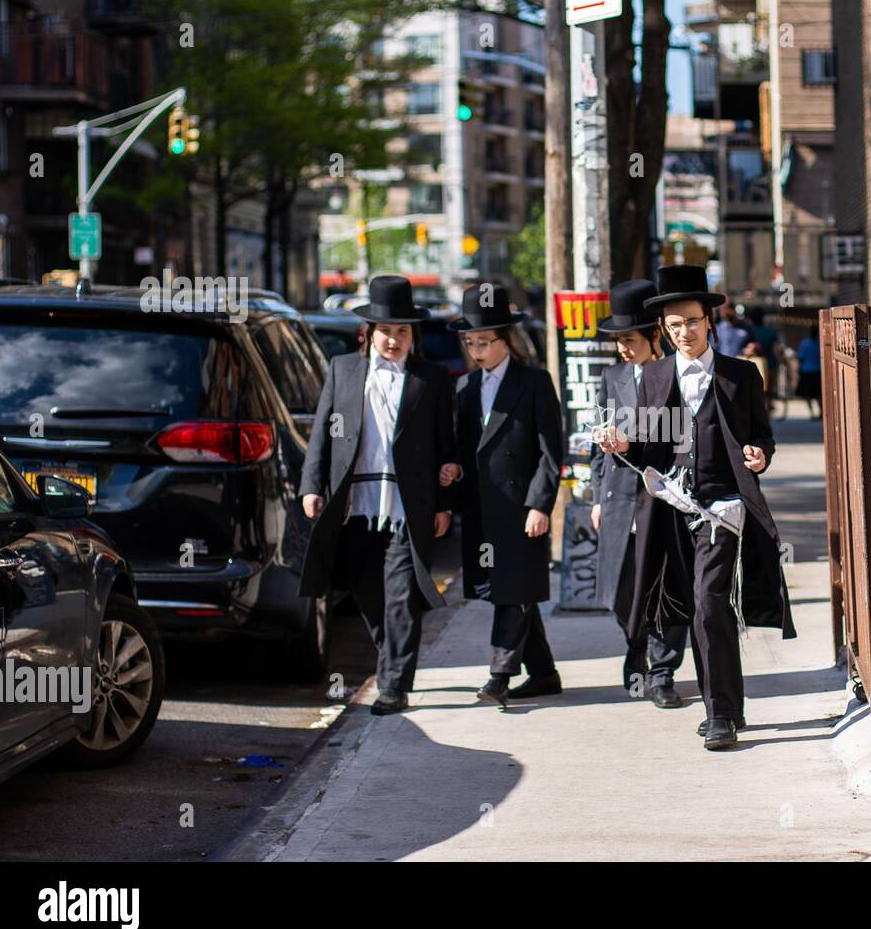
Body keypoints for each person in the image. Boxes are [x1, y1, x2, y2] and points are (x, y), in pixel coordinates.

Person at [597, 264, 796, 751]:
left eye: (689, 321)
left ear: (709, 319)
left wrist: (760, 453)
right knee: (682, 604)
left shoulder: (740, 376)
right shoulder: (656, 376)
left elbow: (760, 434)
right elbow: (646, 448)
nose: (682, 332)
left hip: (724, 509)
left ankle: (721, 714)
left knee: (710, 606)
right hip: (670, 507)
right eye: (673, 325)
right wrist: (622, 440)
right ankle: (726, 704)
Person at [298, 275, 454, 716]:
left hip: (407, 507)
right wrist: (312, 486)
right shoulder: (343, 370)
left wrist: (445, 501)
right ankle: (392, 662)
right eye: (388, 332)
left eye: (403, 332)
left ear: (412, 336)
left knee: (403, 595)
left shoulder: (432, 379)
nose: (395, 340)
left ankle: (393, 686)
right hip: (354, 507)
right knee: (368, 596)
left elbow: (446, 442)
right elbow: (321, 435)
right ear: (369, 333)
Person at [443, 283, 564, 707]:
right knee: (514, 589)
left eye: (485, 341)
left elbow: (552, 451)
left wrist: (540, 503)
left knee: (514, 591)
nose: (477, 350)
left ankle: (499, 675)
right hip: (482, 508)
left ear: (505, 339)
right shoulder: (465, 388)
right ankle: (545, 674)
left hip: (521, 508)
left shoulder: (534, 382)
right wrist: (453, 468)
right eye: (470, 341)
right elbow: (463, 447)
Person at [590, 278, 701, 709]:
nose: (622, 348)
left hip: (664, 497)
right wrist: (598, 496)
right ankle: (635, 644)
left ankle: (661, 672)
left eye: (630, 340)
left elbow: (682, 436)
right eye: (617, 340)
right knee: (622, 588)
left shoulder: (677, 374)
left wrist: (630, 439)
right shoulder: (612, 376)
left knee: (668, 584)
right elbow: (597, 450)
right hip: (618, 499)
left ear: (655, 335)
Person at [796, 325, 823, 419]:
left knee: (807, 395)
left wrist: (799, 370)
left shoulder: (805, 343)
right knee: (818, 394)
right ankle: (820, 413)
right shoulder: (819, 343)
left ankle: (811, 413)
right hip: (817, 371)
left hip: (806, 371)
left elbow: (800, 358)